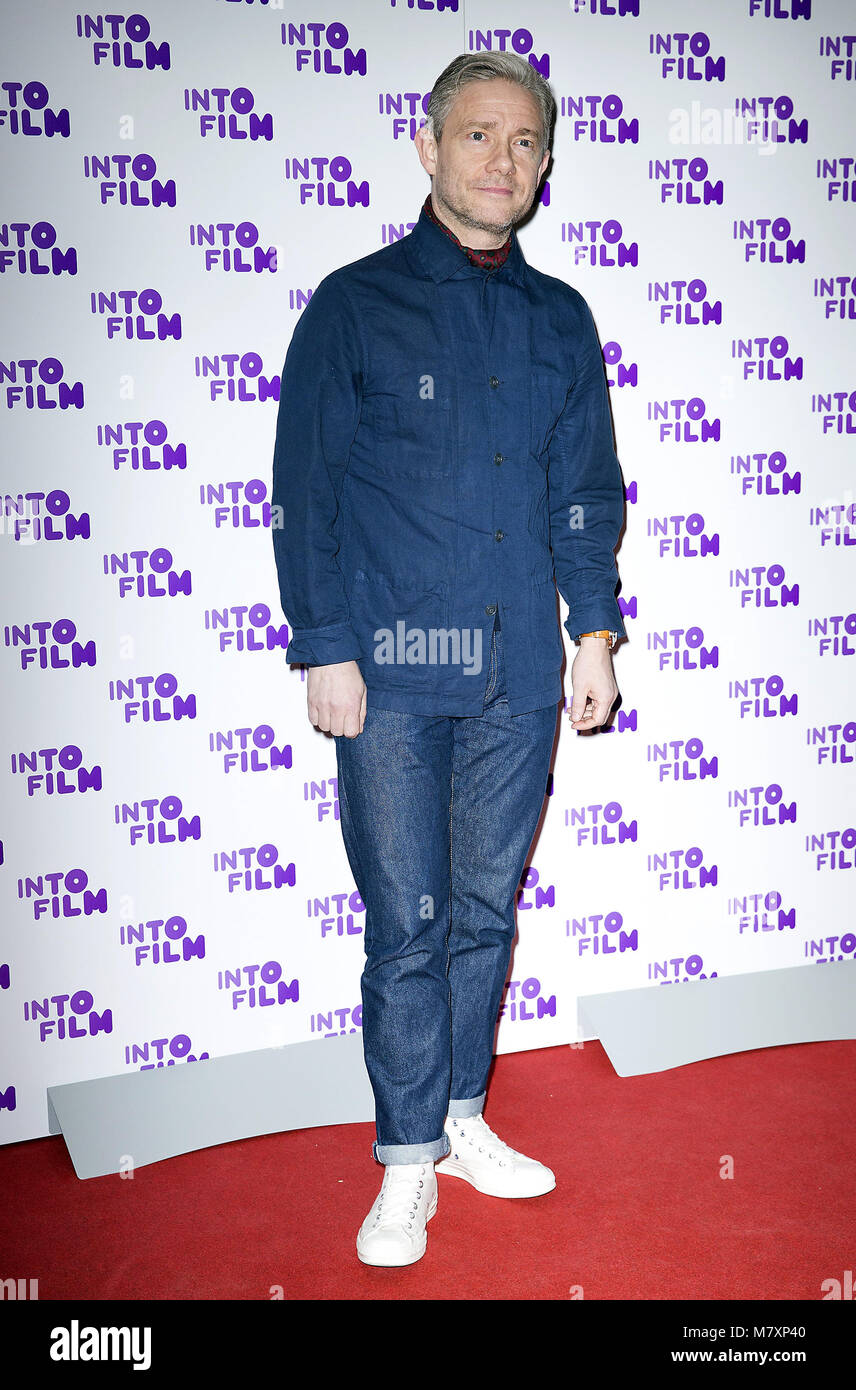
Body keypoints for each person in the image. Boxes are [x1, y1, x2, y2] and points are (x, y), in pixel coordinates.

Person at [271, 51, 627, 1267]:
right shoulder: (356, 304)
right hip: (389, 676)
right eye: (477, 137)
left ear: (543, 163)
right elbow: (304, 491)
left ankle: (463, 1114)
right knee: (407, 923)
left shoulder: (559, 319)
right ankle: (406, 1159)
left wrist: (592, 632)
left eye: (524, 142)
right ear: (428, 150)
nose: (502, 161)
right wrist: (324, 650)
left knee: (484, 909)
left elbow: (584, 494)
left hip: (518, 672)